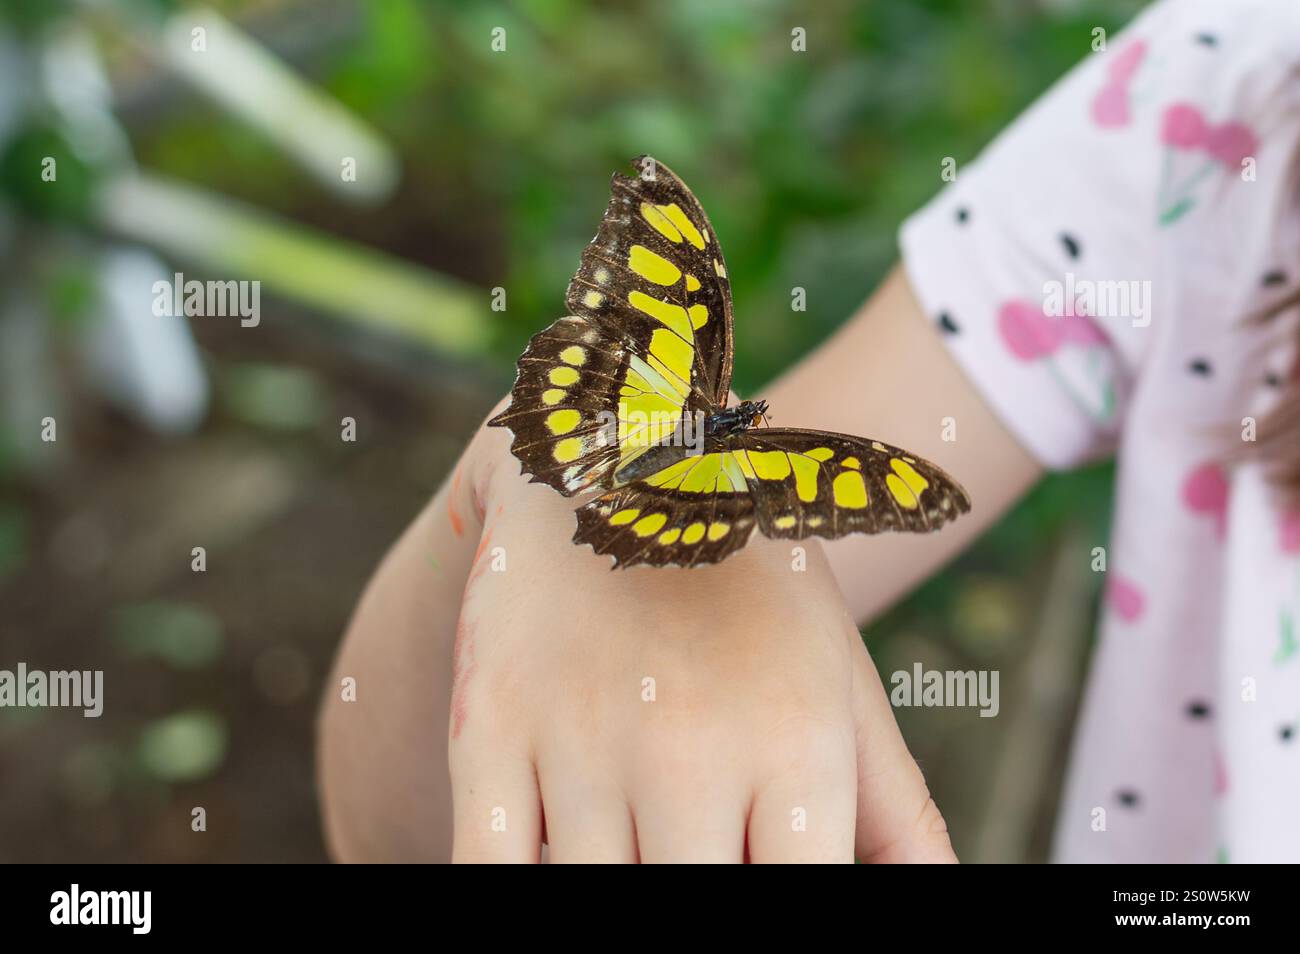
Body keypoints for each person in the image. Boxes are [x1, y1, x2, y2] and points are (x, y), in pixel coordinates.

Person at [318, 0, 1300, 863]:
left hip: (650, 450)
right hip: (623, 452)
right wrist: (509, 495)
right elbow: (392, 838)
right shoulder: (1214, 106)